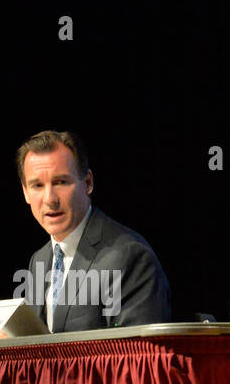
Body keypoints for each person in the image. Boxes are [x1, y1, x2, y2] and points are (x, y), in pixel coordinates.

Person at [18, 130, 171, 332]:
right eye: (37, 185)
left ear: (88, 183)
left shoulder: (130, 256)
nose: (50, 199)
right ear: (25, 192)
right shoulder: (38, 259)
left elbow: (139, 356)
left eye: (61, 182)